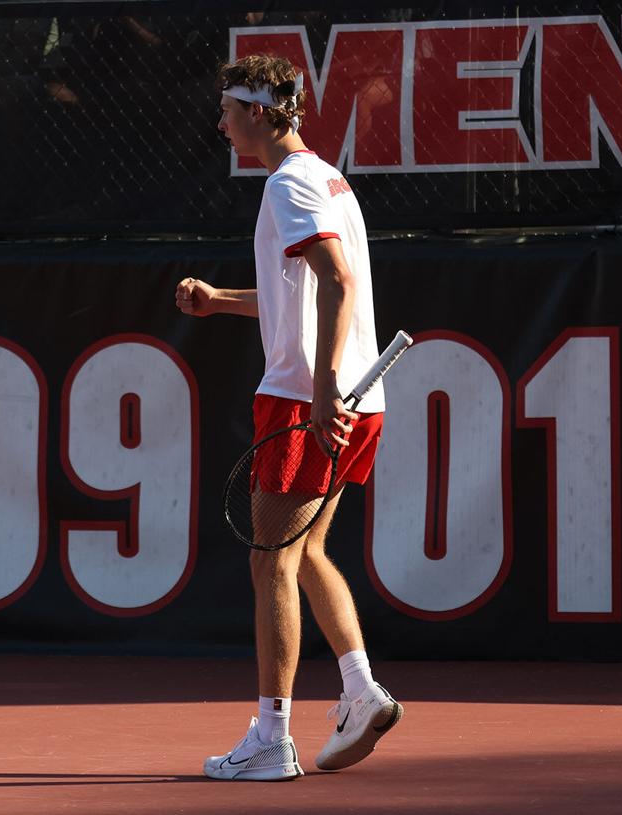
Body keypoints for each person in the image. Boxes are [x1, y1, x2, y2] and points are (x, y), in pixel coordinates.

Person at [175, 55, 401, 780]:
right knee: (304, 554)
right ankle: (362, 691)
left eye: (229, 110)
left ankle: (272, 735)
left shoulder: (287, 184)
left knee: (270, 558)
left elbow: (335, 279)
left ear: (262, 115)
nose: (220, 123)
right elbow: (301, 292)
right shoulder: (326, 178)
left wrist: (320, 391)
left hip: (313, 394)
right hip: (359, 396)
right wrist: (221, 299)